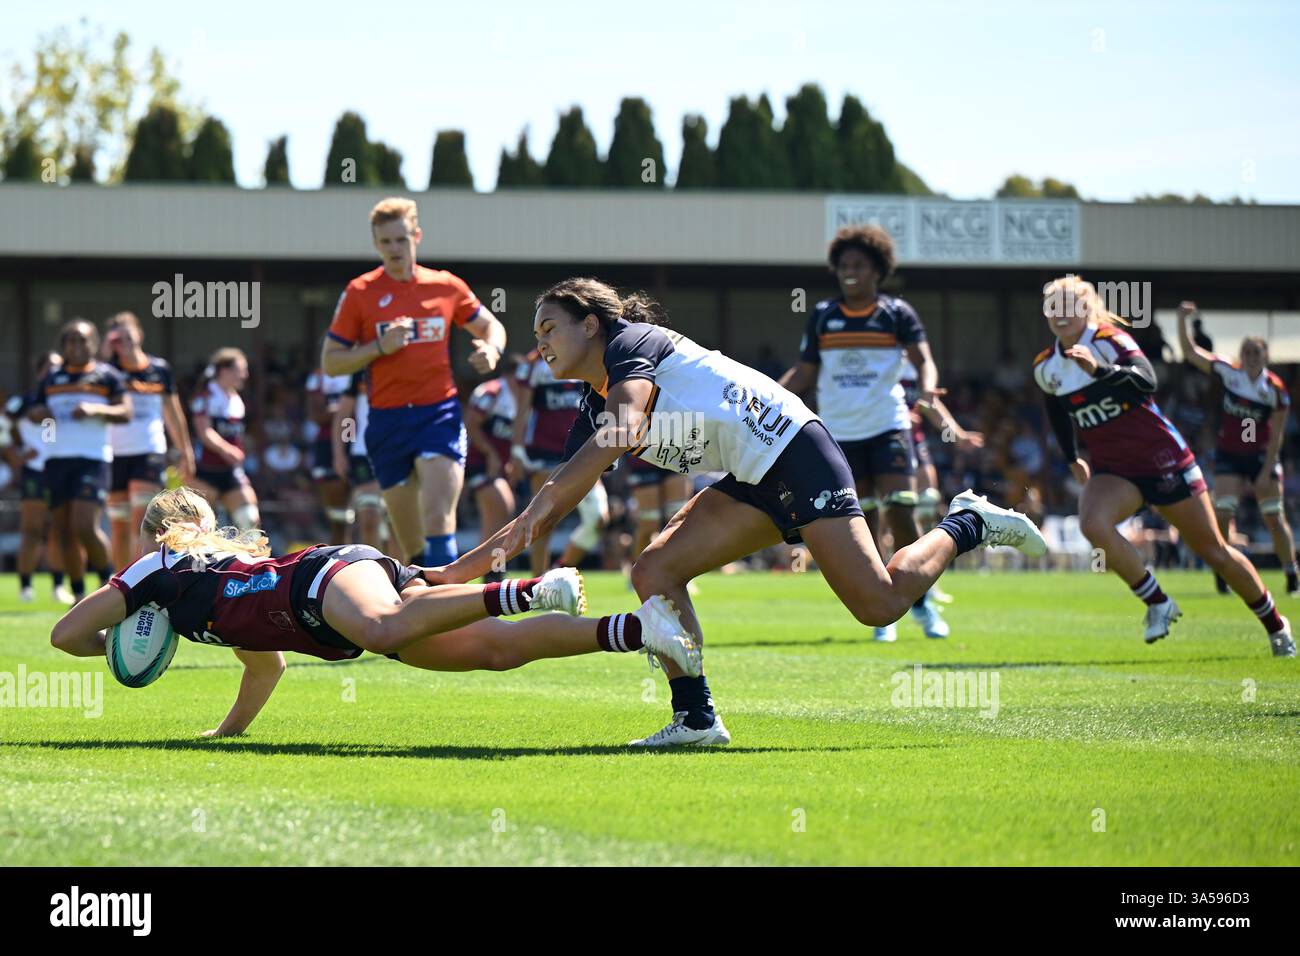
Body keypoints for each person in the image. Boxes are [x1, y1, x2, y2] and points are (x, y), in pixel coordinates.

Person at [426, 278, 1047, 748]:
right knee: (654, 572)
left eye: (549, 329)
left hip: (796, 449)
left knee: (878, 604)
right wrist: (457, 574)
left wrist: (479, 558)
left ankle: (967, 521)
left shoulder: (629, 344)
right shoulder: (591, 406)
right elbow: (550, 504)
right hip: (752, 472)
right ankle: (695, 718)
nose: (540, 345)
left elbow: (622, 430)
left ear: (591, 325)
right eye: (534, 337)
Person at [49, 487, 700, 738]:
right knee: (496, 653)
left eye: (160, 530)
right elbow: (265, 666)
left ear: (165, 533)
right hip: (330, 608)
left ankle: (529, 591)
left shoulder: (158, 568)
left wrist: (114, 645)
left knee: (386, 625)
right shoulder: (197, 602)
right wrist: (226, 734)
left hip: (323, 579)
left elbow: (65, 634)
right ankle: (643, 630)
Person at [1034, 276, 1294, 657]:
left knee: (1215, 551)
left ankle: (1275, 624)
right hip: (1113, 469)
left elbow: (1146, 381)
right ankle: (1158, 602)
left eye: (1069, 305)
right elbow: (1055, 409)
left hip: (1162, 460)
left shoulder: (1107, 341)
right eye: (1052, 307)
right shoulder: (1046, 365)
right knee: (1092, 523)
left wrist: (1099, 372)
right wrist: (1072, 457)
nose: (1060, 314)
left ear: (1086, 308)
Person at [780, 225, 950, 641]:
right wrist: (767, 395)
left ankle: (923, 602)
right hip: (838, 435)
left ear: (878, 270)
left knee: (902, 509)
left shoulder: (897, 314)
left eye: (858, 265)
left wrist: (927, 386)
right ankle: (885, 611)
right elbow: (805, 372)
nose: (849, 272)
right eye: (843, 266)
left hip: (888, 426)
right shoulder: (823, 315)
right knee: (864, 518)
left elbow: (924, 359)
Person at [321, 196, 507, 567]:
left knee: (439, 519)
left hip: (438, 414)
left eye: (401, 239)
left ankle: (448, 616)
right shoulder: (360, 293)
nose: (394, 249)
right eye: (385, 241)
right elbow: (331, 362)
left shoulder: (446, 286)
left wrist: (492, 349)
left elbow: (491, 325)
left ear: (416, 237)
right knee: (411, 545)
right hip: (387, 422)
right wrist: (378, 346)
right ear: (375, 244)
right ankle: (420, 606)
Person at [1176, 302, 1297, 596]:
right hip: (1230, 454)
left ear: (1266, 356)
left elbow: (1277, 435)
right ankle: (1223, 571)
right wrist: (1181, 320)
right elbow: (1191, 353)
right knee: (1223, 514)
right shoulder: (1230, 373)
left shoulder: (1275, 390)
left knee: (1273, 517)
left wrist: (1267, 470)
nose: (1252, 357)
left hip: (1259, 458)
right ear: (1241, 355)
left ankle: (1291, 573)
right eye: (1247, 352)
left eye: (1257, 352)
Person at [25, 320, 132, 603]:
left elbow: (126, 412)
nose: (78, 345)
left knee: (84, 524)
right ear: (63, 347)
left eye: (83, 340)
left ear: (94, 344)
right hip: (56, 462)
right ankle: (78, 593)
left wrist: (96, 409)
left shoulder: (107, 375)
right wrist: (42, 419)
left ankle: (107, 581)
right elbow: (44, 422)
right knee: (62, 530)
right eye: (71, 341)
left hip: (93, 460)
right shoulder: (50, 378)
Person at [103, 311, 194, 567]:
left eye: (128, 336)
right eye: (117, 340)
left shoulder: (159, 370)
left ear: (139, 335)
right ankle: (120, 584)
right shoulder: (108, 372)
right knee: (118, 526)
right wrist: (104, 351)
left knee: (141, 520)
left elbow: (174, 415)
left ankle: (143, 581)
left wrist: (185, 451)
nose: (125, 343)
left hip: (149, 451)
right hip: (115, 454)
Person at [4, 351, 74, 603]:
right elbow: (3, 425)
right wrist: (17, 455)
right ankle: (25, 587)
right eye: (50, 367)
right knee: (31, 531)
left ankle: (58, 585)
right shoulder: (24, 401)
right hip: (35, 472)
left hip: (60, 472)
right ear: (40, 372)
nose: (54, 373)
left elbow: (54, 438)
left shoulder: (64, 401)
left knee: (59, 531)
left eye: (59, 367)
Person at [510, 346, 586, 574]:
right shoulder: (533, 364)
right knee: (544, 520)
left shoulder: (584, 356)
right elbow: (521, 411)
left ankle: (559, 568)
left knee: (599, 516)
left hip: (580, 451)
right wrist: (516, 451)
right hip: (544, 452)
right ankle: (538, 583)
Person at [189, 347, 260, 531]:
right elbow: (203, 431)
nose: (245, 375)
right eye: (241, 370)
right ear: (225, 371)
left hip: (230, 471)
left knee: (250, 520)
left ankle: (253, 560)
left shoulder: (236, 399)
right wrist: (227, 450)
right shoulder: (206, 397)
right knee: (201, 530)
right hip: (204, 472)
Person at [463, 369, 518, 581]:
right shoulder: (491, 392)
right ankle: (489, 572)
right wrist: (490, 454)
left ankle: (493, 571)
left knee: (499, 518)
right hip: (479, 465)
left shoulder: (522, 398)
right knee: (501, 506)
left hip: (499, 469)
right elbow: (471, 423)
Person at [332, 371, 385, 550]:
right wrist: (340, 452)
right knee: (369, 517)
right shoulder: (360, 372)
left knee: (395, 526)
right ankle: (373, 570)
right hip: (363, 454)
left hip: (398, 454)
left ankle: (398, 575)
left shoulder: (406, 364)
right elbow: (345, 415)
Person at [304, 363, 353, 544]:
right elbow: (317, 415)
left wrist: (339, 411)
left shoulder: (360, 371)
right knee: (338, 517)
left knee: (369, 511)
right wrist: (345, 410)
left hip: (358, 444)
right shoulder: (317, 377)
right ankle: (339, 560)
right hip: (326, 446)